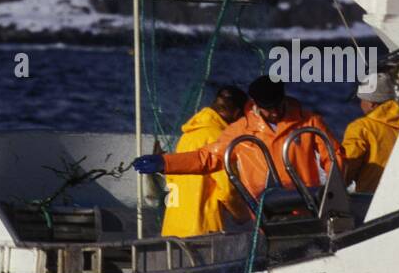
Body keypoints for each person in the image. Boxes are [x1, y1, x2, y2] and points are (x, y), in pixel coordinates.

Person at [132, 75, 343, 220]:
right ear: (256, 105)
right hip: (265, 213)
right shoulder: (240, 130)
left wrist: (334, 191)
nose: (274, 113)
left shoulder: (310, 122)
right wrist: (166, 162)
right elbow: (207, 158)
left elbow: (334, 156)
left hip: (308, 208)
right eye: (267, 109)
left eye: (278, 106)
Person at [159, 85, 248, 238]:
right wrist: (243, 215)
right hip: (204, 231)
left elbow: (172, 177)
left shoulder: (187, 135)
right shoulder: (221, 139)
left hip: (173, 228)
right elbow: (227, 190)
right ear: (237, 113)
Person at [341, 73, 399, 194]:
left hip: (370, 199)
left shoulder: (361, 128)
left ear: (371, 104)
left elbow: (348, 167)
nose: (360, 104)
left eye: (361, 100)